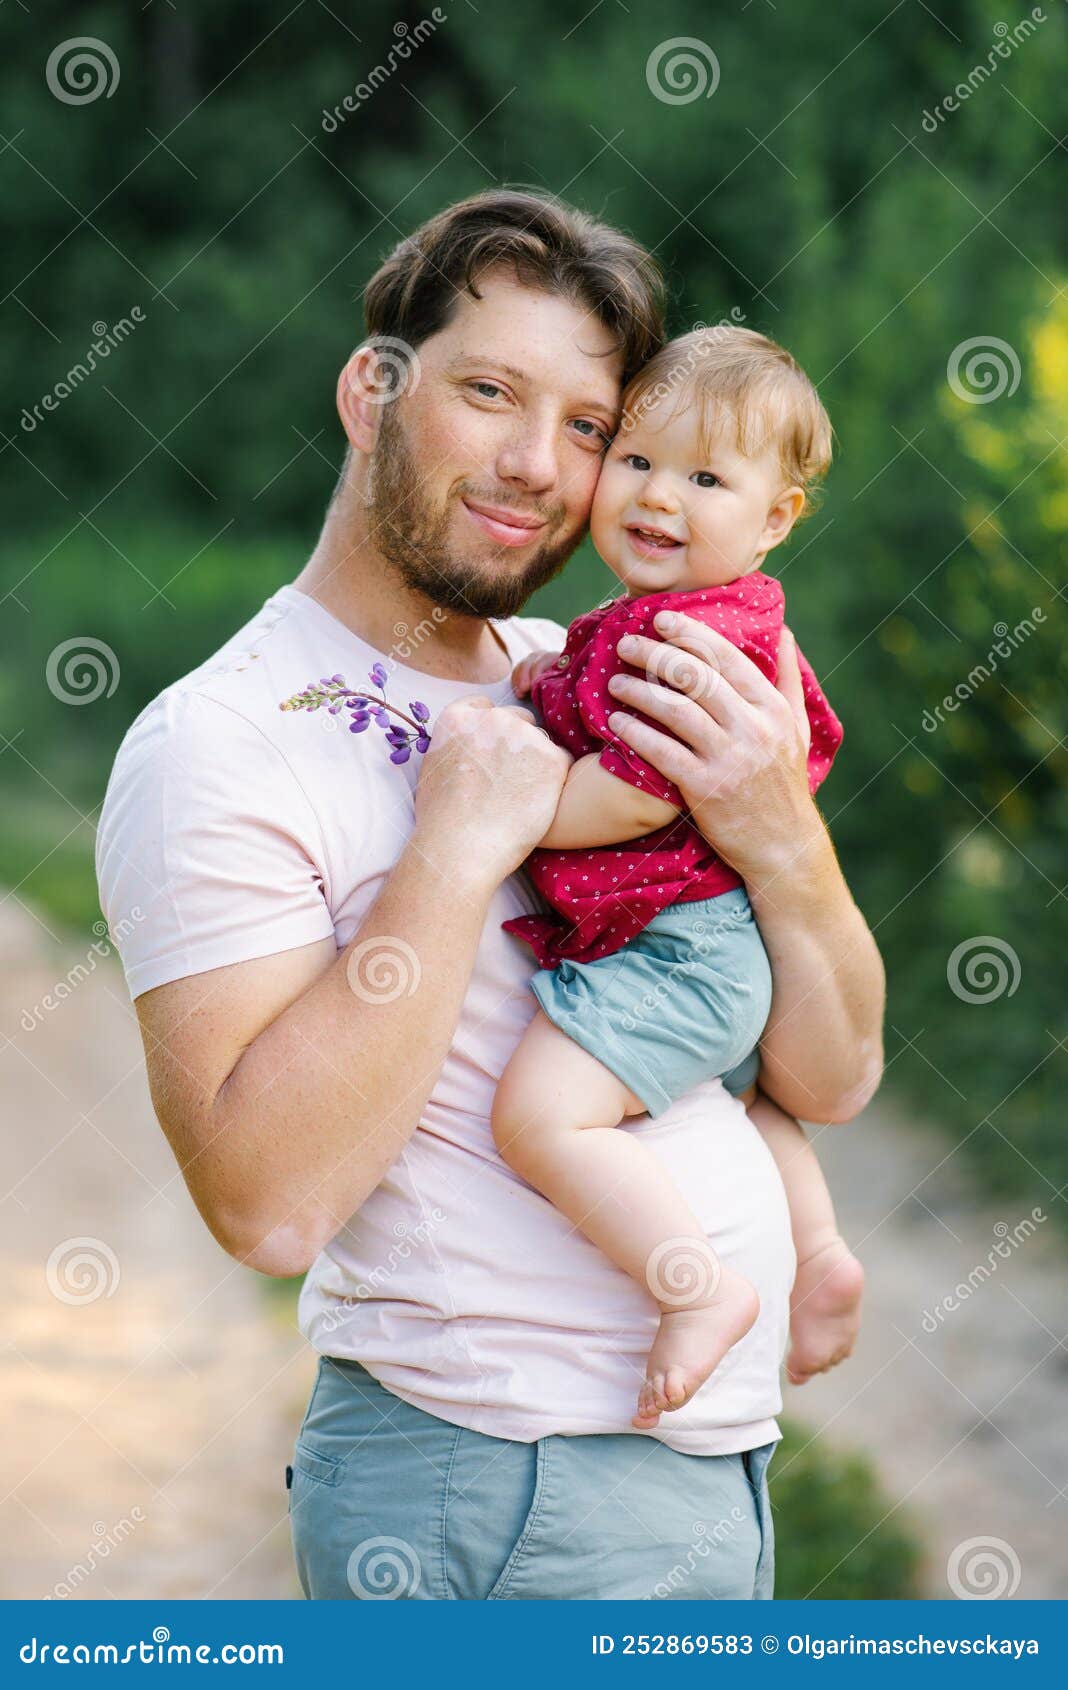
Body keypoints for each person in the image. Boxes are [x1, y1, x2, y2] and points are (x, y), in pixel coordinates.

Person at [95, 189, 885, 1601]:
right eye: (487, 392)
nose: (536, 463)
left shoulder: (576, 664)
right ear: (371, 389)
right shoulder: (219, 739)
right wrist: (455, 853)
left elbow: (831, 1076)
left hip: (697, 1471)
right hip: (498, 1482)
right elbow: (267, 1211)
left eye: (587, 426)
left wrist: (783, 840)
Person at [492, 327, 864, 1433]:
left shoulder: (680, 642)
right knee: (747, 1103)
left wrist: (508, 810)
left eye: (707, 477)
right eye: (641, 460)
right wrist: (549, 677)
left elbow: (644, 789)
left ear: (776, 518)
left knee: (540, 1120)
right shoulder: (723, 622)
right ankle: (822, 1250)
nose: (661, 497)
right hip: (720, 940)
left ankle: (698, 1293)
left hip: (670, 952)